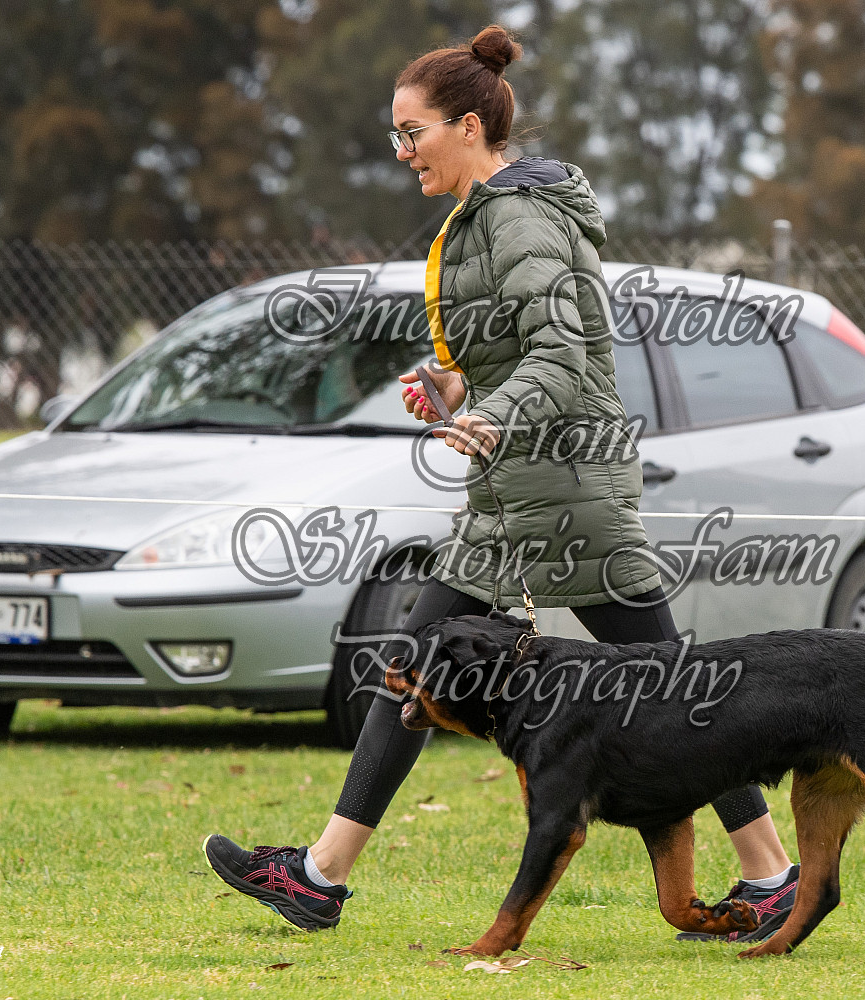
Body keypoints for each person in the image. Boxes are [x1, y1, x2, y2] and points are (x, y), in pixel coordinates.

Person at [203, 23, 798, 945]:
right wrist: (453, 390)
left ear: (471, 125)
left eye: (414, 133)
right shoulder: (477, 223)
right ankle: (320, 875)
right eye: (394, 135)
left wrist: (498, 410)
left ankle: (772, 873)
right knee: (416, 661)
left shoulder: (518, 219)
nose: (401, 152)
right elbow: (516, 358)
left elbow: (565, 355)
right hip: (511, 491)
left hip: (567, 492)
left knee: (670, 683)